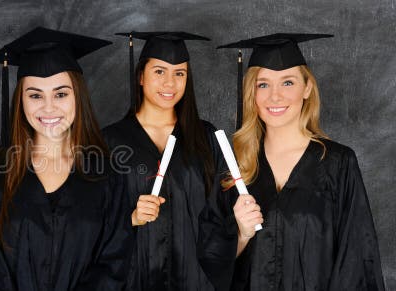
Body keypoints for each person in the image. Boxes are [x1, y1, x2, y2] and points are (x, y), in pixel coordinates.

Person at [218, 33, 385, 291]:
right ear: (252, 92)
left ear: (307, 88)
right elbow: (204, 265)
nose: (275, 96)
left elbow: (357, 259)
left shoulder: (338, 163)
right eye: (263, 84)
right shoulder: (234, 166)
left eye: (287, 82)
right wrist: (241, 234)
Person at [0, 27, 133, 290]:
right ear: (21, 100)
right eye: (35, 95)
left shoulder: (107, 175)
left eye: (61, 94)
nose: (48, 107)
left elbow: (114, 262)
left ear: (77, 96)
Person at [102, 31, 231, 291]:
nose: (170, 83)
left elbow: (221, 214)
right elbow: (90, 221)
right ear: (141, 76)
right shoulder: (109, 142)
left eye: (179, 73)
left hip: (196, 280)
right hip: (131, 280)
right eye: (159, 71)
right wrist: (131, 219)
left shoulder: (206, 137)